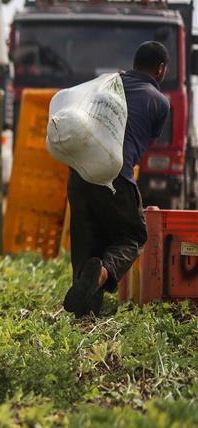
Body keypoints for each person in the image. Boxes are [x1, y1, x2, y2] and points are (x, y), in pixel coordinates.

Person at [62, 40, 170, 317]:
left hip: (79, 173)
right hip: (115, 175)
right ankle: (102, 273)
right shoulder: (159, 102)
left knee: (87, 239)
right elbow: (147, 142)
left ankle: (85, 314)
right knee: (132, 235)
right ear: (160, 69)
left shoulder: (109, 84)